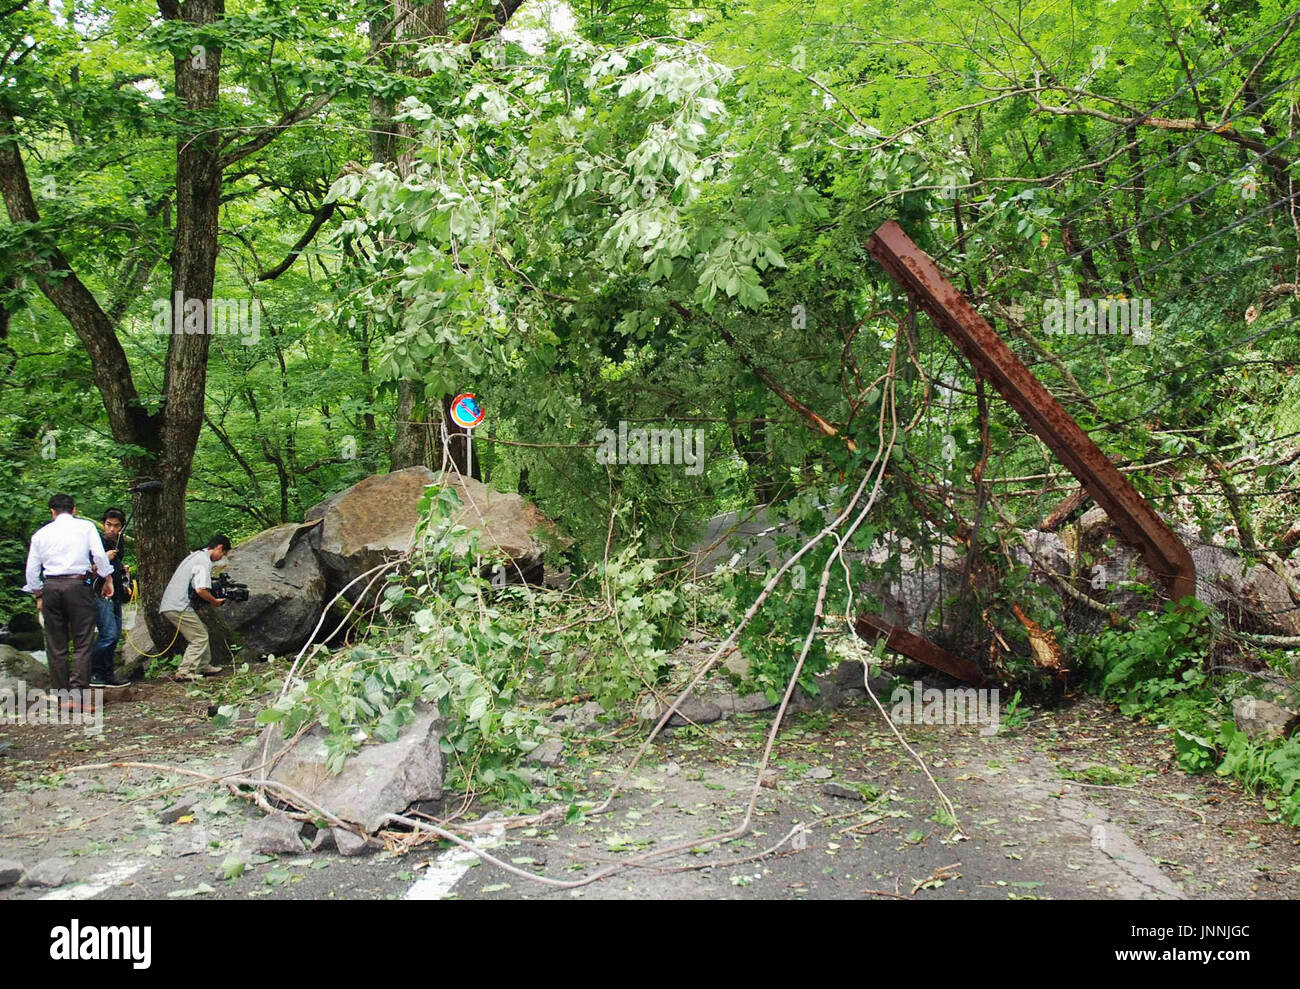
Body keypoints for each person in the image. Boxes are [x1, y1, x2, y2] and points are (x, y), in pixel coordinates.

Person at [23, 493, 115, 696]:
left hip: (51, 586)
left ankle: (61, 694)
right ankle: (79, 691)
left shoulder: (40, 534)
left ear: (52, 512)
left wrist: (38, 594)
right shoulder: (86, 527)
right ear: (74, 510)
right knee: (83, 640)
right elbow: (99, 556)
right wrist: (107, 578)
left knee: (56, 643)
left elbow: (31, 570)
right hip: (78, 586)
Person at [158, 535, 230, 682]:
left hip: (172, 604)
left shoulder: (195, 556)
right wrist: (214, 601)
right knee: (199, 637)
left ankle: (203, 665)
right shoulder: (203, 561)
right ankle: (185, 671)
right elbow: (200, 589)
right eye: (223, 553)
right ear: (219, 547)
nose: (221, 557)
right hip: (179, 605)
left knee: (201, 629)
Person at [90, 508, 131, 688]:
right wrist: (103, 559)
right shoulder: (95, 542)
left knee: (114, 637)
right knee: (108, 634)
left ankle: (108, 674)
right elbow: (86, 568)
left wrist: (122, 568)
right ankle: (95, 673)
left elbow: (116, 564)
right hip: (100, 592)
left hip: (116, 594)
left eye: (116, 526)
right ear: (103, 523)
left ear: (121, 527)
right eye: (109, 525)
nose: (112, 529)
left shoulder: (119, 542)